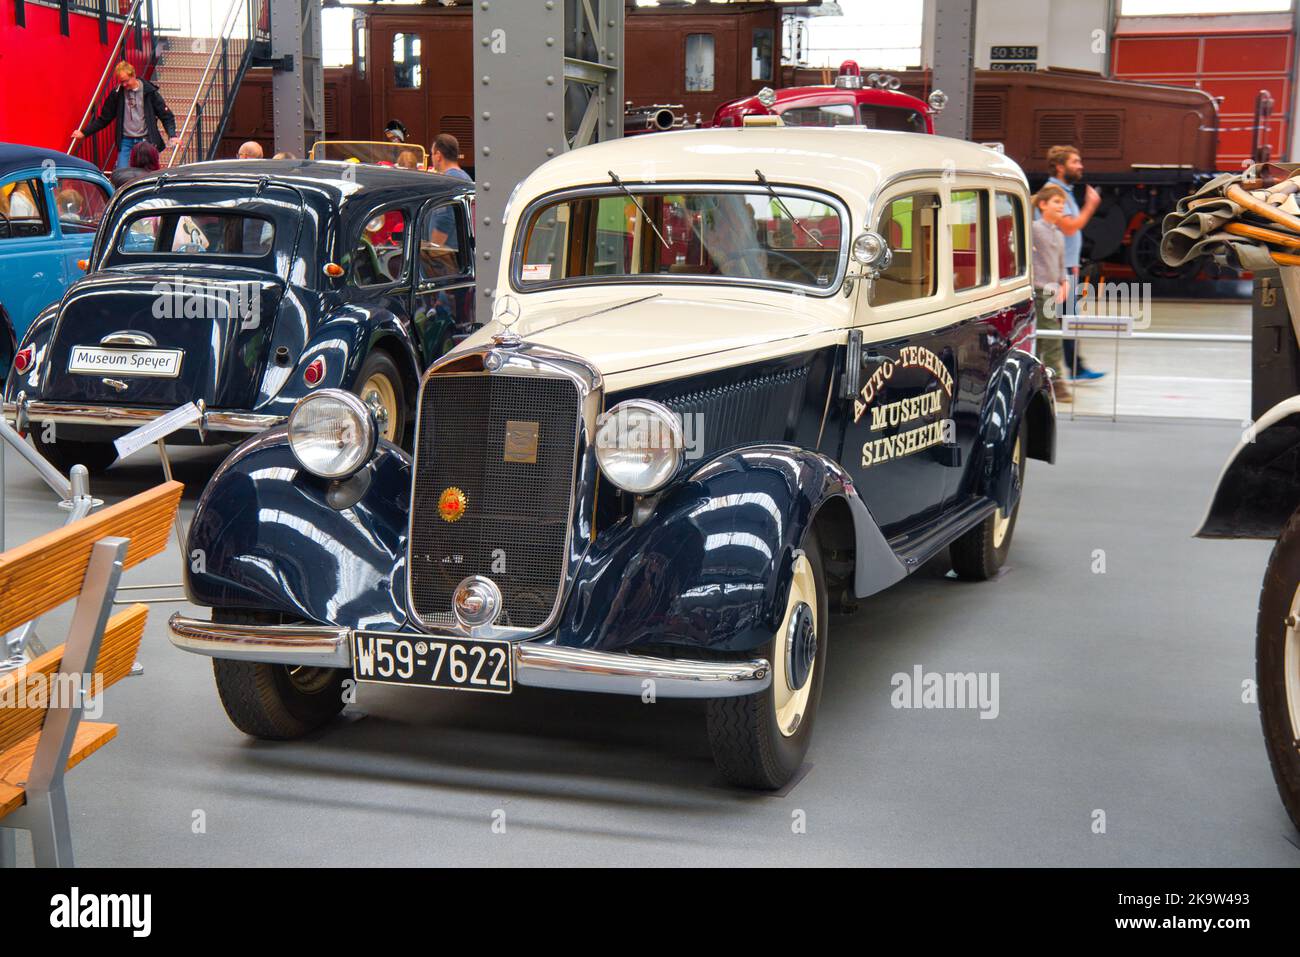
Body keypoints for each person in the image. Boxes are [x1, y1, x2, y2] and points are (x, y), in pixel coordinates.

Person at [1044, 144, 1105, 382]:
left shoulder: (1063, 191)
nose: (1080, 166)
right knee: (1063, 319)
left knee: (1066, 318)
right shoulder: (1054, 193)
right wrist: (1091, 205)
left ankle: (1074, 368)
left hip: (1066, 268)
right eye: (1075, 162)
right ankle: (1071, 370)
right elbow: (1069, 227)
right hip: (1057, 271)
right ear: (1060, 167)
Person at [72, 62, 178, 169]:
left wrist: (172, 135)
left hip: (146, 140)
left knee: (148, 173)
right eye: (121, 82)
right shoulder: (117, 94)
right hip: (126, 140)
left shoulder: (149, 92)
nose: (124, 85)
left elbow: (166, 116)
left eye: (126, 81)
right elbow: (104, 119)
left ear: (133, 75)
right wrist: (84, 133)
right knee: (122, 172)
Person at [1031, 184, 1072, 403]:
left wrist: (1065, 283)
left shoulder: (1059, 234)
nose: (1061, 206)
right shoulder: (1035, 229)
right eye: (1056, 202)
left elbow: (1061, 264)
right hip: (1040, 291)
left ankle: (1040, 379)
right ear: (1043, 205)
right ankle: (1058, 383)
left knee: (1046, 336)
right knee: (1051, 336)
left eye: (1062, 203)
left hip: (1053, 293)